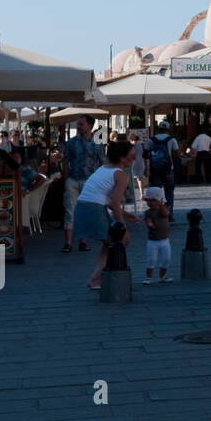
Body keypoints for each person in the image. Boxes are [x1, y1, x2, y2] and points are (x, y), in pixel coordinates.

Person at [75, 140, 142, 290]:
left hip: (82, 207)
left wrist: (124, 214)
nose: (135, 159)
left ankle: (97, 278)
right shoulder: (121, 175)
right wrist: (123, 229)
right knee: (116, 241)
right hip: (93, 209)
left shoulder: (104, 168)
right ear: (122, 158)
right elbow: (113, 204)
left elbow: (105, 198)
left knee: (109, 243)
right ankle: (96, 279)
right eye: (132, 156)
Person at [61, 115, 102, 252]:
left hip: (89, 182)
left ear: (90, 126)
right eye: (78, 124)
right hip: (73, 180)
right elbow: (66, 161)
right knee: (70, 211)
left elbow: (101, 162)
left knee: (85, 212)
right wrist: (66, 179)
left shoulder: (97, 143)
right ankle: (68, 243)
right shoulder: (71, 142)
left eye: (81, 124)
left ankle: (83, 241)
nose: (78, 126)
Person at [146, 121, 179, 220]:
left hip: (155, 170)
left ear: (158, 128)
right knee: (169, 193)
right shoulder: (172, 140)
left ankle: (156, 214)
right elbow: (176, 153)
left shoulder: (151, 140)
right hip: (168, 169)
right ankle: (169, 214)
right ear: (168, 129)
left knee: (156, 193)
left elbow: (147, 154)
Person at [141, 186, 174, 285]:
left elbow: (166, 214)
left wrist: (161, 204)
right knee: (151, 259)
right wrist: (149, 223)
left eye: (153, 200)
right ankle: (148, 277)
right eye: (148, 200)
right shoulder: (148, 212)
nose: (150, 203)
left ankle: (162, 276)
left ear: (159, 200)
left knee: (166, 259)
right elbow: (148, 220)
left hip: (165, 240)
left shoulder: (163, 209)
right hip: (152, 241)